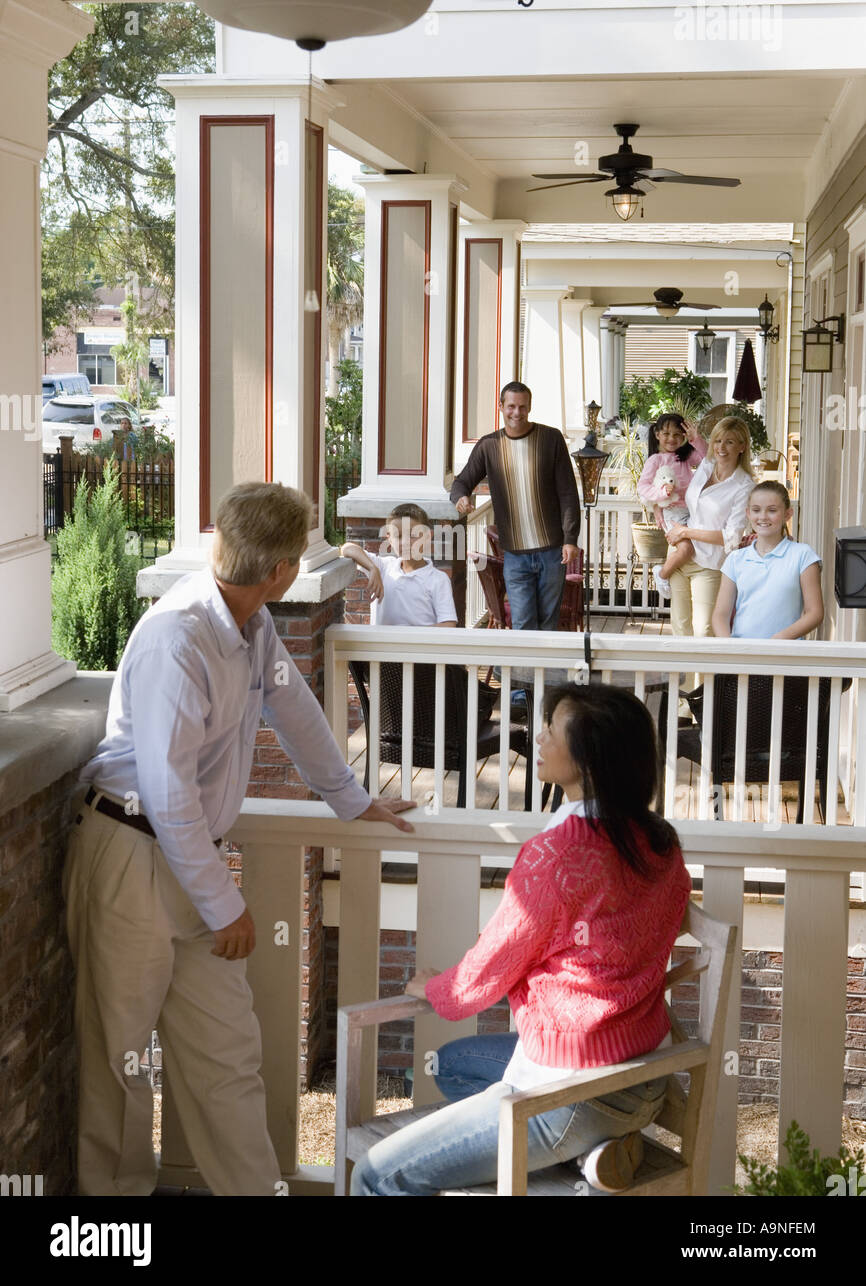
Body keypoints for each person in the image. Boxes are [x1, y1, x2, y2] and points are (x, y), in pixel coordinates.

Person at [65, 481, 414, 1197]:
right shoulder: (179, 637)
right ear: (283, 570)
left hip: (185, 861)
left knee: (227, 1051)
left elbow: (297, 713)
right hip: (130, 858)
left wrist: (351, 799)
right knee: (120, 1060)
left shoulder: (252, 629)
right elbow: (166, 793)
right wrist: (225, 905)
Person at [351, 682, 692, 1196]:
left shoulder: (554, 857)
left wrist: (432, 988)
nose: (537, 736)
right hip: (645, 1078)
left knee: (375, 1175)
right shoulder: (661, 844)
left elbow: (479, 981)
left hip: (571, 1092)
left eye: (551, 729)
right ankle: (597, 1153)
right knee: (451, 1065)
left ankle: (579, 1141)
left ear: (588, 760)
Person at [450, 381, 580, 631]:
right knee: (522, 625)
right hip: (514, 555)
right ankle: (524, 672)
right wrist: (461, 497)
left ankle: (544, 671)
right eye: (511, 406)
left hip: (552, 551)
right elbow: (462, 481)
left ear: (529, 407)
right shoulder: (489, 446)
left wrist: (570, 539)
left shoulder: (550, 439)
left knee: (548, 624)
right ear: (501, 407)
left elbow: (568, 493)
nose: (517, 413)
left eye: (522, 407)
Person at [666, 416, 755, 639]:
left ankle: (703, 676)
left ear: (742, 447)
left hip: (709, 564)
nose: (721, 447)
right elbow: (708, 451)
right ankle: (684, 675)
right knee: (680, 626)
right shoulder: (707, 466)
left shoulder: (744, 485)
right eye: (718, 441)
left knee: (703, 630)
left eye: (730, 442)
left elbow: (732, 538)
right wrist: (698, 439)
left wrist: (686, 531)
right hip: (680, 553)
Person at [711, 480, 824, 640]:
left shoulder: (803, 555)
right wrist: (730, 647)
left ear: (787, 514)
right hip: (743, 654)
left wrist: (779, 640)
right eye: (756, 510)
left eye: (772, 510)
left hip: (785, 654)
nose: (763, 516)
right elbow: (721, 614)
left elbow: (815, 613)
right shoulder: (735, 560)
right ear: (748, 513)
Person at [340, 503, 458, 627]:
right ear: (389, 539)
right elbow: (347, 548)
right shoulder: (383, 567)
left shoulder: (438, 579)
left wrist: (407, 637)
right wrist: (372, 568)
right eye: (398, 536)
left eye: (412, 535)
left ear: (427, 536)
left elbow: (448, 624)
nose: (405, 542)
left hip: (418, 645)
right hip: (380, 646)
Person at [635, 412, 707, 597]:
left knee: (699, 546)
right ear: (657, 434)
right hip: (672, 511)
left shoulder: (684, 456)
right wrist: (661, 494)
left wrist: (696, 439)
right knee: (686, 549)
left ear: (683, 436)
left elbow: (709, 460)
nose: (671, 438)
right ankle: (662, 573)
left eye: (677, 434)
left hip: (692, 509)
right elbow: (642, 486)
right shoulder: (655, 460)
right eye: (666, 434)